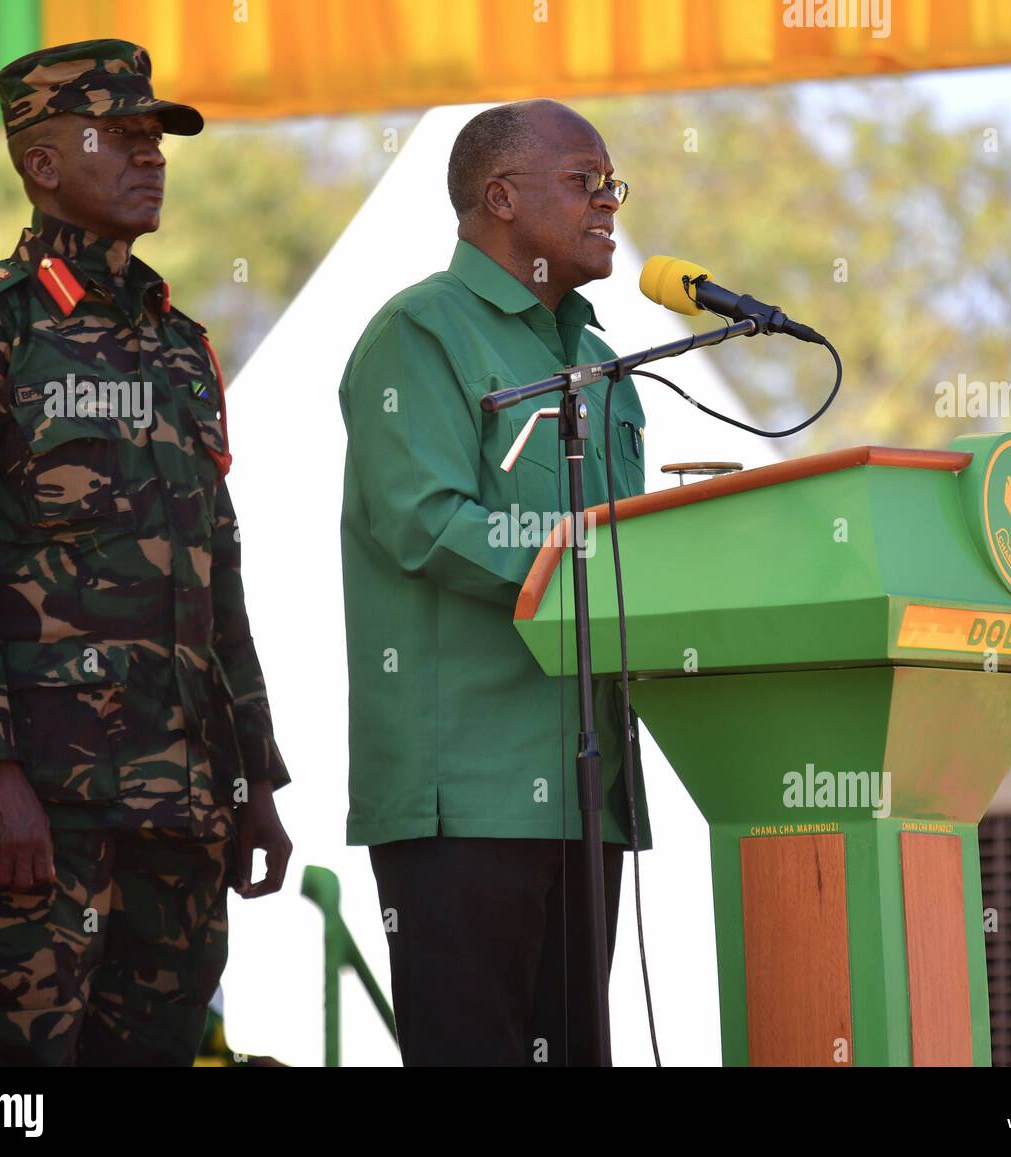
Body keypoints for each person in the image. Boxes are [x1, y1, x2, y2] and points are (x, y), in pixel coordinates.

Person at [0, 39, 292, 1066]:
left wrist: (255, 779)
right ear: (41, 162)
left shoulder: (181, 343)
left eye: (154, 136)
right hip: (35, 801)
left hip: (179, 800)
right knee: (14, 1079)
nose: (149, 154)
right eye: (118, 133)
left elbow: (221, 567)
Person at [338, 99, 652, 1067]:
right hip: (462, 797)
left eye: (612, 184)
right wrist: (585, 563)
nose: (607, 202)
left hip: (588, 791)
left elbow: (634, 545)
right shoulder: (418, 334)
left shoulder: (605, 364)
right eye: (582, 181)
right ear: (499, 197)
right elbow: (423, 520)